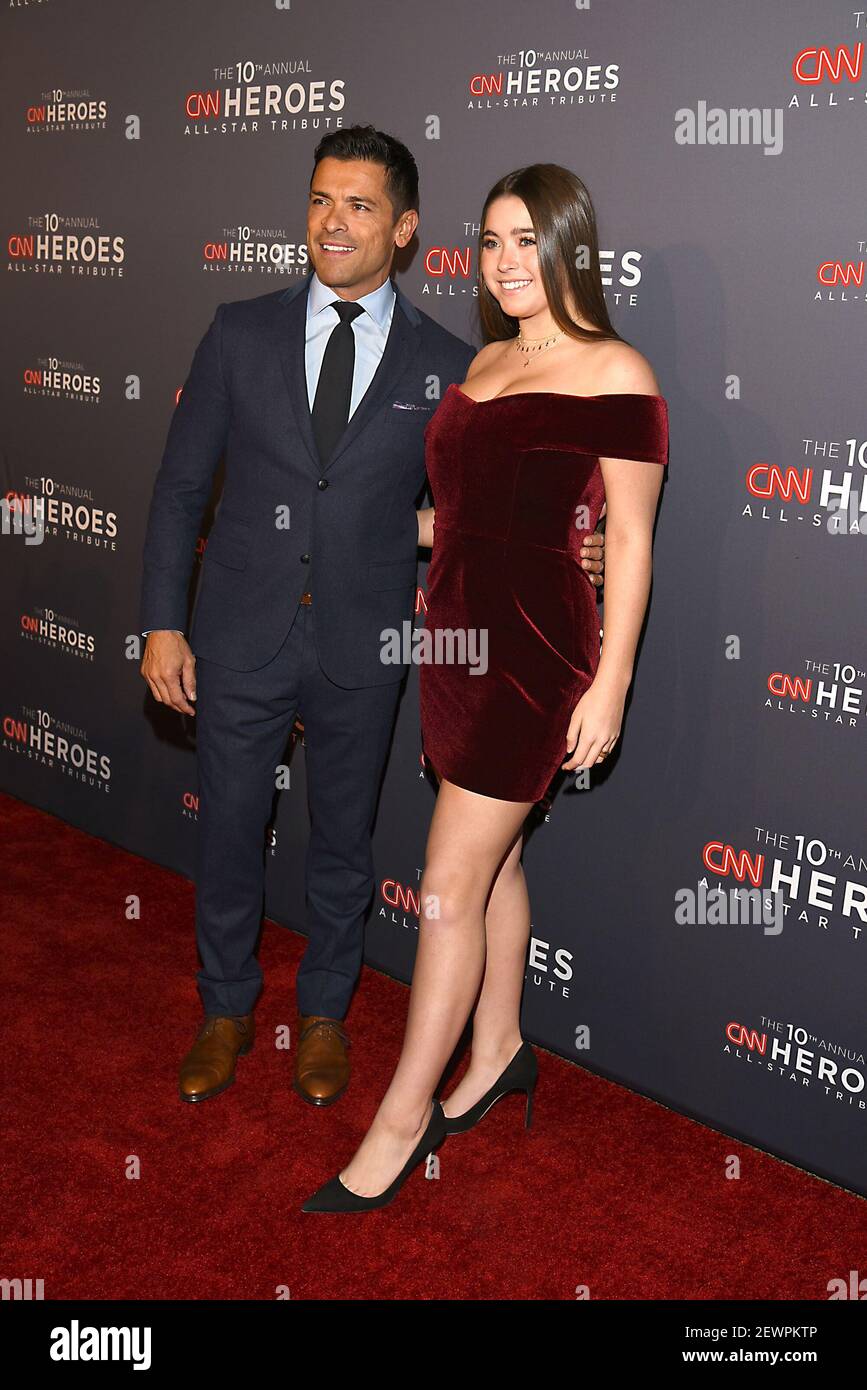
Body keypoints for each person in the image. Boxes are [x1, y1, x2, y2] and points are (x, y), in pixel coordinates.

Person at [138, 128, 608, 1108]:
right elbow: (181, 489)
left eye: (358, 205)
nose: (332, 222)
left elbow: (487, 505)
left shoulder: (452, 363)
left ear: (402, 228)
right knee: (229, 828)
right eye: (319, 199)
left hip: (368, 640)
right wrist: (161, 624)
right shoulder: (238, 332)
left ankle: (322, 1017)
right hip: (238, 631)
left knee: (345, 842)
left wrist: (575, 542)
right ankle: (224, 1009)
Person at [303, 162, 669, 1212]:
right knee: (494, 863)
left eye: (529, 242)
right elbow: (461, 518)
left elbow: (632, 543)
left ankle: (403, 1119)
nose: (507, 262)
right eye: (494, 242)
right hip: (456, 647)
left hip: (539, 657)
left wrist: (611, 683)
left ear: (570, 250)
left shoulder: (617, 371)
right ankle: (501, 1044)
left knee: (449, 886)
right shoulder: (486, 366)